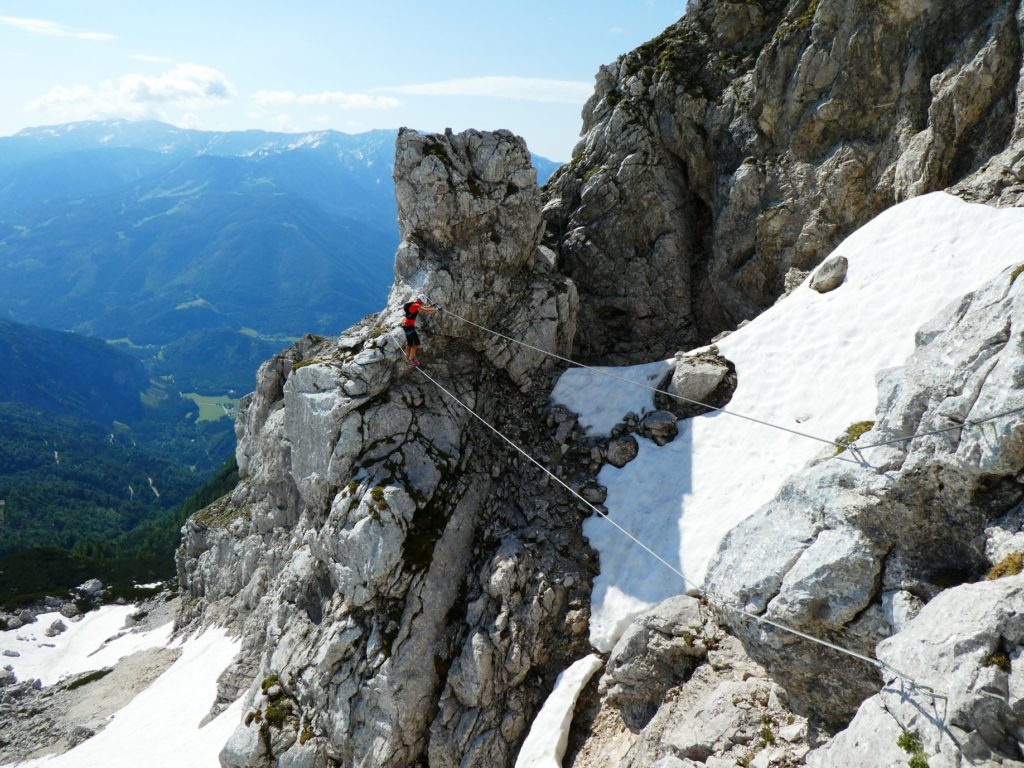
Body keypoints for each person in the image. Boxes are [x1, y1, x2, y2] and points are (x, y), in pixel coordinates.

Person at [401, 292, 439, 365]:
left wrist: (431, 306)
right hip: (409, 327)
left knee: (409, 343)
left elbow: (423, 308)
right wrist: (437, 310)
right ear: (420, 301)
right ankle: (411, 359)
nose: (422, 304)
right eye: (422, 303)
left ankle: (407, 358)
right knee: (417, 343)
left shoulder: (413, 304)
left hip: (405, 325)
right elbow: (426, 311)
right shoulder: (416, 305)